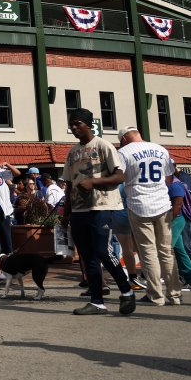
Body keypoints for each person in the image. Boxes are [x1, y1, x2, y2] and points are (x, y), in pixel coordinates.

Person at [64, 108, 136, 316]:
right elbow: (69, 184)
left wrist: (93, 182)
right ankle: (97, 302)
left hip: (102, 207)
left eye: (78, 123)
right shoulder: (72, 152)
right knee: (87, 256)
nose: (74, 128)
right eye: (71, 124)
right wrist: (66, 214)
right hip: (79, 209)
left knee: (103, 250)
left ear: (89, 124)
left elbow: (119, 177)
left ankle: (126, 289)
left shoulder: (103, 146)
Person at [168, 169, 191, 289]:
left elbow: (178, 204)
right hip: (178, 218)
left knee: (165, 248)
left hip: (177, 218)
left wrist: (169, 220)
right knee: (180, 249)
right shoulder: (173, 182)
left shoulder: (175, 184)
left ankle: (146, 277)